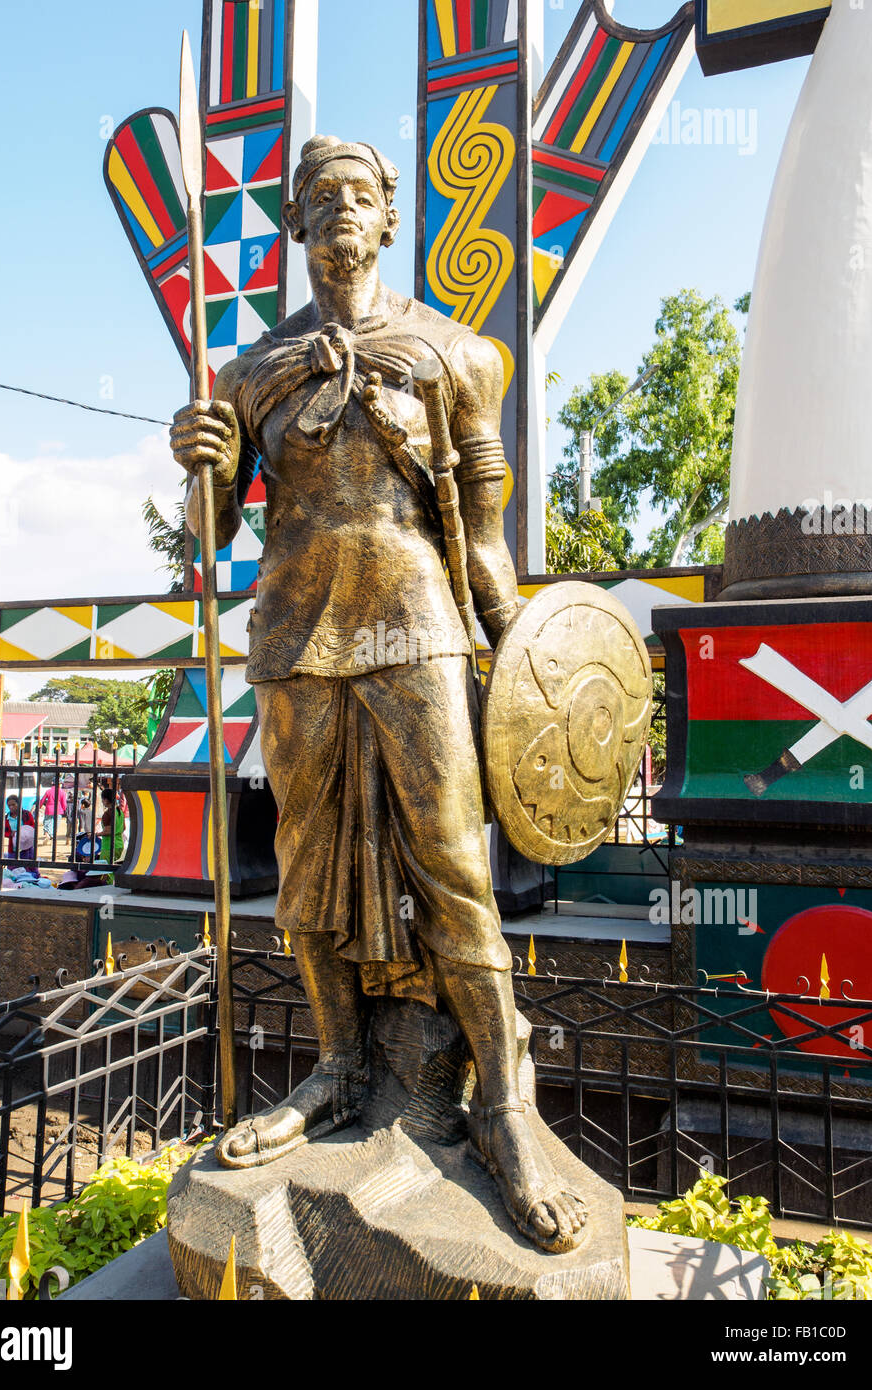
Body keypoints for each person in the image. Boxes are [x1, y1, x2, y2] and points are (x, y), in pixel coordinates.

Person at [170, 135, 585, 1252]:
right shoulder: (251, 370)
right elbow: (208, 536)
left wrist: (535, 668)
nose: (340, 212)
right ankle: (342, 1066)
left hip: (420, 627)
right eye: (319, 199)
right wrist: (200, 458)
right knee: (305, 869)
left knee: (454, 863)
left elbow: (486, 545)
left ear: (388, 221)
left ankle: (502, 1107)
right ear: (296, 226)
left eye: (359, 196)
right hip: (297, 638)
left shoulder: (461, 355)